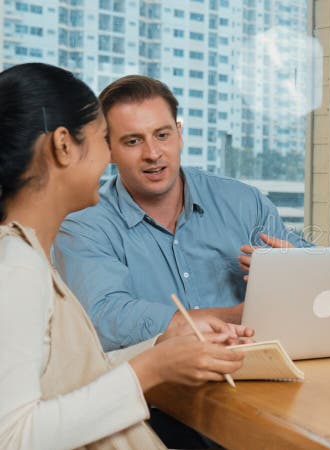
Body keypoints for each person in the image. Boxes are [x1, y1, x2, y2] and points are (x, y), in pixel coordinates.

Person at [0, 63, 251, 449]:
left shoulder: (26, 256)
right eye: (107, 140)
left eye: (162, 135)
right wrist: (152, 367)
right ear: (64, 146)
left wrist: (164, 344)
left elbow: (68, 377)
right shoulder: (17, 266)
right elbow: (13, 438)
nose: (110, 159)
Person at [54, 74, 310, 351]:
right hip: (154, 389)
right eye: (132, 141)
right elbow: (106, 318)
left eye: (162, 135)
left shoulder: (244, 202)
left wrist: (293, 270)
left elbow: (324, 276)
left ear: (179, 134)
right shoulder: (83, 223)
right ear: (108, 150)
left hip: (260, 370)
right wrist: (242, 315)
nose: (153, 153)